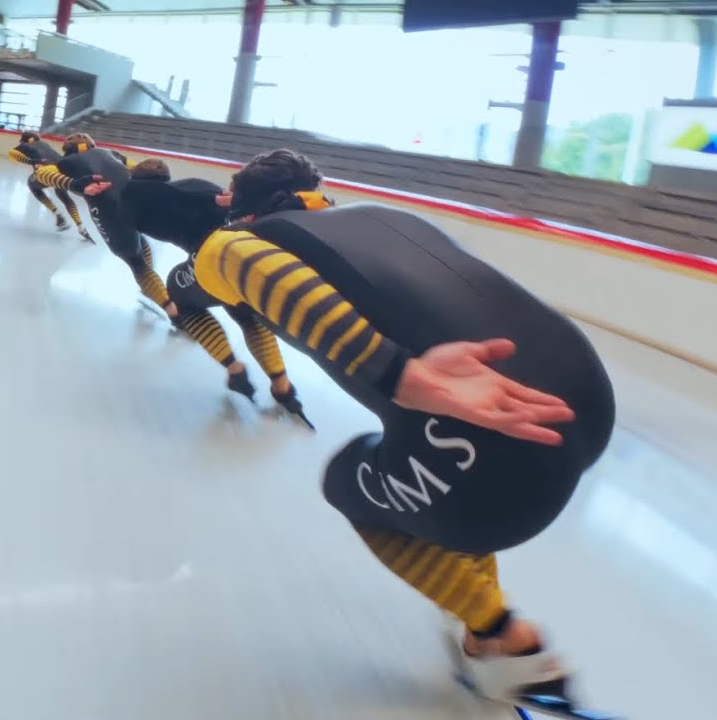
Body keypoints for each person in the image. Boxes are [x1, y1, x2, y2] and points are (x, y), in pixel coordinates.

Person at [192, 149, 615, 712]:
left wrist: (397, 374)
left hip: (494, 446)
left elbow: (248, 264)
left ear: (240, 209)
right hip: (583, 399)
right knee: (440, 476)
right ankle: (481, 637)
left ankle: (506, 635)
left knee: (349, 481)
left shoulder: (239, 240)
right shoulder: (383, 216)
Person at [79, 158, 312, 425]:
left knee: (180, 296)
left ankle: (235, 370)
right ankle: (282, 386)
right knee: (244, 311)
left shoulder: (140, 194)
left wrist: (98, 196)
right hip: (248, 256)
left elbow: (156, 199)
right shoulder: (199, 185)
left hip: (213, 256)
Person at [35, 134, 180, 325]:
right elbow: (138, 167)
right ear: (91, 145)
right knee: (139, 241)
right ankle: (151, 287)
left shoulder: (66, 162)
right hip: (138, 203)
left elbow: (43, 175)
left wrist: (72, 183)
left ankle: (173, 311)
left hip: (111, 213)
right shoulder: (110, 152)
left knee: (136, 263)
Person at [7, 131, 92, 242]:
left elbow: (12, 153)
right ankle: (81, 227)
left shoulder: (26, 145)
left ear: (26, 140)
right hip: (62, 172)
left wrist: (31, 161)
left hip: (46, 173)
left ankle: (58, 215)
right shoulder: (44, 144)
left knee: (32, 185)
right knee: (63, 195)